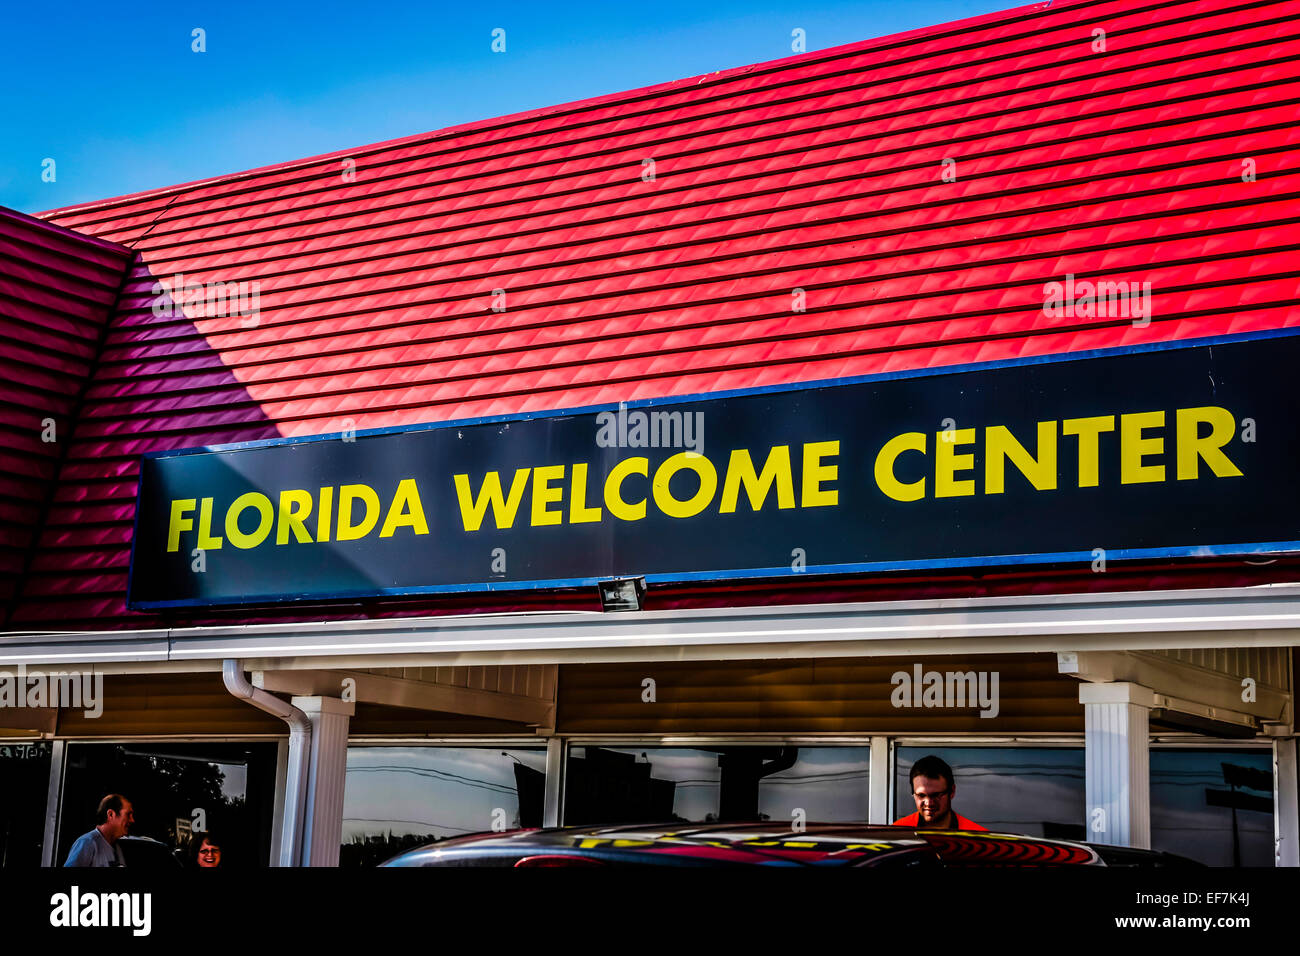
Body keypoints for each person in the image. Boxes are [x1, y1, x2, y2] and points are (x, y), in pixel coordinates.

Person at [893, 755, 987, 831]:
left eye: (936, 795)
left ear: (952, 791)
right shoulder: (898, 833)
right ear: (913, 794)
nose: (929, 803)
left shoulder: (978, 837)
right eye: (921, 795)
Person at [64, 793, 133, 867]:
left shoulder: (117, 847)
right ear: (110, 814)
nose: (132, 820)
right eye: (128, 814)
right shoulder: (87, 843)